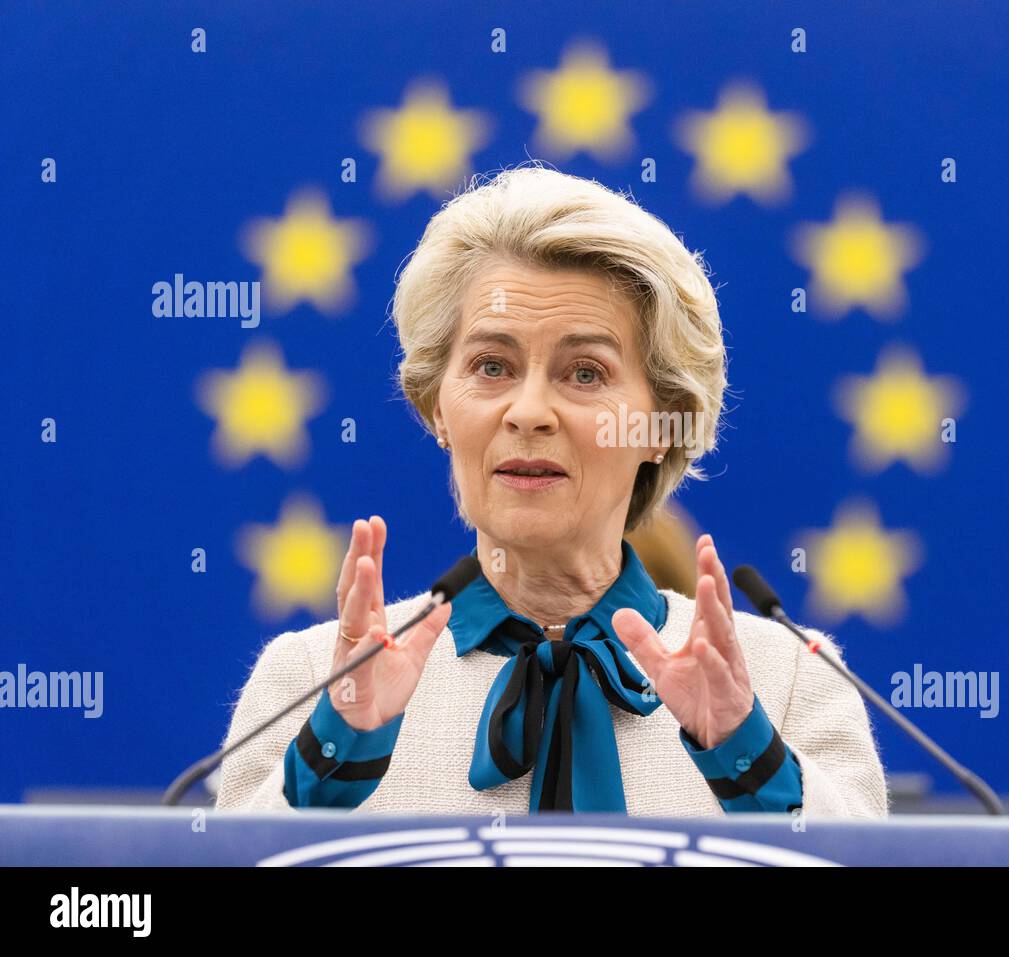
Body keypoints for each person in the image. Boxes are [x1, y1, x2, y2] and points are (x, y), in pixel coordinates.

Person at [215, 163, 889, 818]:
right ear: (437, 409)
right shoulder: (314, 679)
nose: (529, 410)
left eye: (586, 373)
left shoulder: (790, 678)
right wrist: (336, 753)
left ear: (662, 421)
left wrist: (748, 753)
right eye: (491, 365)